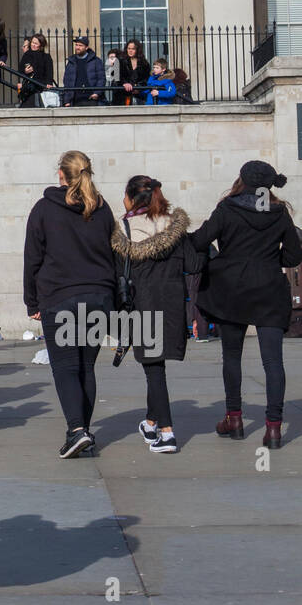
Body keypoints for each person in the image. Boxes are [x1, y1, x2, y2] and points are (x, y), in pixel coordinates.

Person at [190, 161, 302, 449]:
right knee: (273, 361)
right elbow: (292, 257)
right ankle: (274, 428)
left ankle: (235, 418)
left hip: (231, 290)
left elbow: (200, 240)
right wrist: (266, 262)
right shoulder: (279, 214)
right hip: (269, 290)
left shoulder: (227, 209)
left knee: (232, 356)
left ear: (241, 180)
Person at [23, 150, 117, 458]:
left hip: (60, 296)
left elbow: (33, 258)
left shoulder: (44, 208)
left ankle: (77, 430)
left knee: (65, 368)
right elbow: (114, 256)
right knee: (86, 367)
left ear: (61, 174)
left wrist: (31, 301)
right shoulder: (102, 209)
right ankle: (80, 432)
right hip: (98, 297)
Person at [111, 176, 206, 454]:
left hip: (142, 307)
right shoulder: (174, 228)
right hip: (173, 306)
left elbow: (117, 274)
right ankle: (151, 423)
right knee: (156, 367)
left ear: (130, 198)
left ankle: (167, 433)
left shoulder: (124, 229)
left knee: (154, 371)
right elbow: (194, 263)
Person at [61, 35, 104, 106]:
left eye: (80, 45)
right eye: (76, 45)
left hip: (91, 98)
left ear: (86, 47)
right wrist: (67, 100)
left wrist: (97, 93)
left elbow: (101, 79)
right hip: (75, 99)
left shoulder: (96, 61)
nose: (77, 47)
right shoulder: (71, 61)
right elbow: (67, 81)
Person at [17, 32, 56, 108]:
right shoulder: (27, 54)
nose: (33, 45)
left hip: (41, 86)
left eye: (36, 43)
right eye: (32, 43)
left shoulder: (46, 57)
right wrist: (25, 71)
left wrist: (49, 83)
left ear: (41, 45)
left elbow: (49, 72)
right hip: (28, 87)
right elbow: (20, 69)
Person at [120, 39, 150, 105]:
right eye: (129, 48)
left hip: (140, 97)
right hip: (123, 96)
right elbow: (115, 78)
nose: (130, 51)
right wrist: (124, 83)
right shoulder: (119, 61)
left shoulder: (145, 64)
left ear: (137, 50)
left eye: (133, 49)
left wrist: (138, 88)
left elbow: (146, 79)